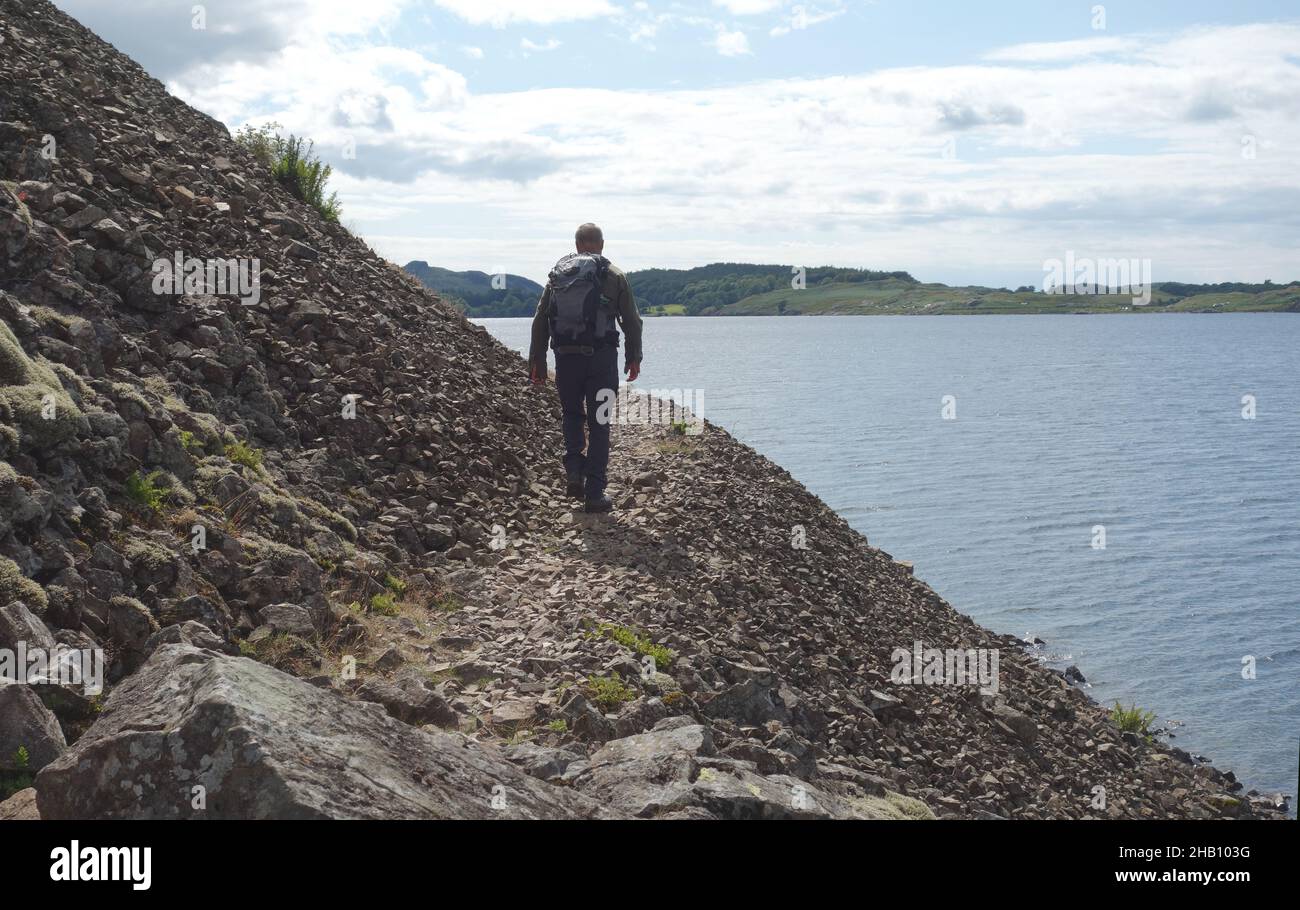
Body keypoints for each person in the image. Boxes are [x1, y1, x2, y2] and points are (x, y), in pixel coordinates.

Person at [529, 223, 642, 513]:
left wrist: (538, 362)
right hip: (601, 359)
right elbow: (632, 321)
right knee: (600, 422)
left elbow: (540, 320)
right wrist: (633, 356)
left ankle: (574, 470)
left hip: (565, 358)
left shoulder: (558, 275)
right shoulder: (614, 275)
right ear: (601, 244)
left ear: (577, 244)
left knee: (571, 414)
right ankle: (594, 493)